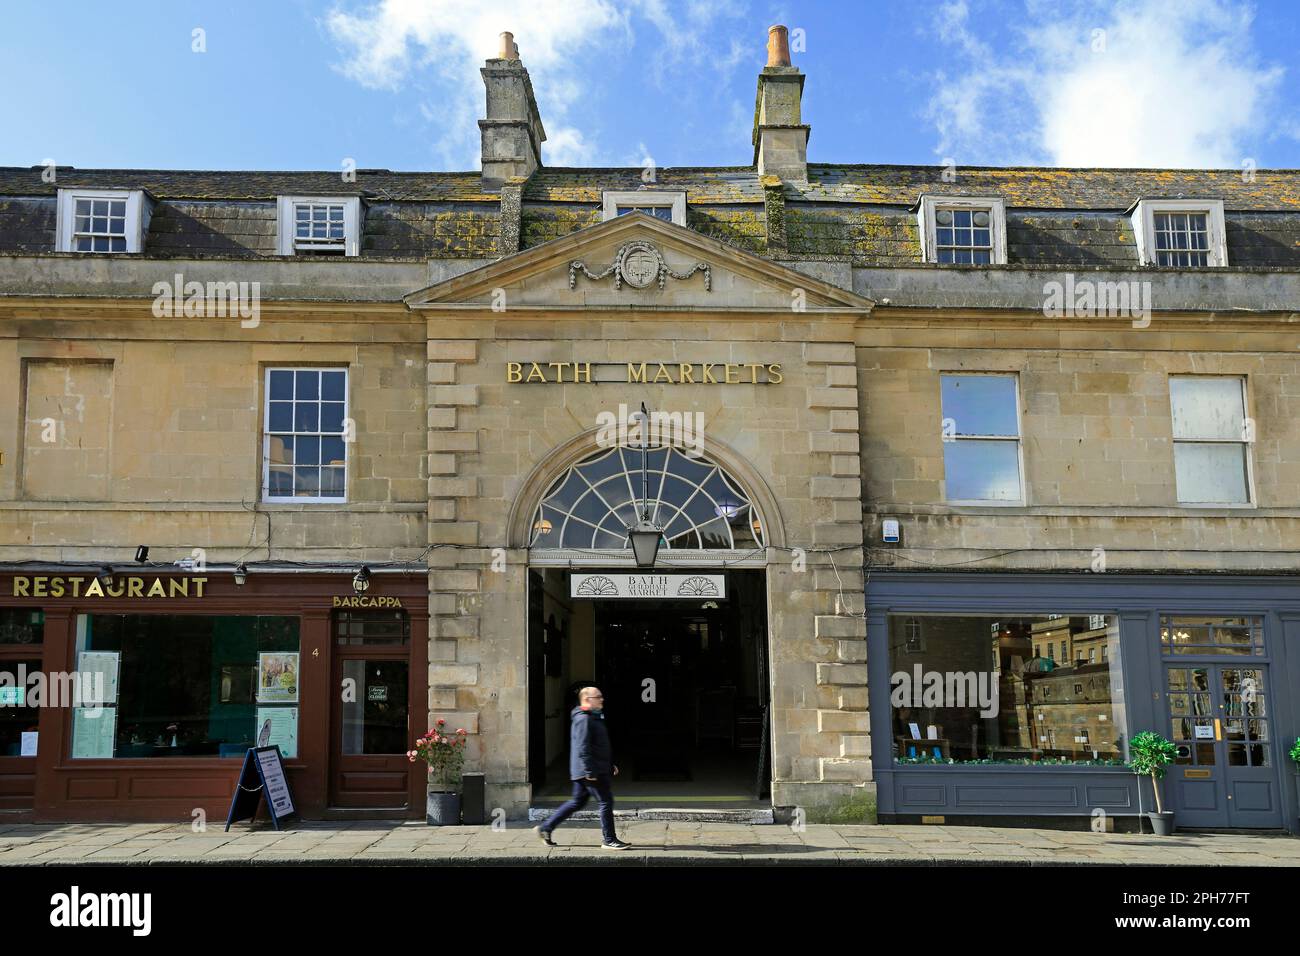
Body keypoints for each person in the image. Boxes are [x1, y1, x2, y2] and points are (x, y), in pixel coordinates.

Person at [534, 686, 629, 849]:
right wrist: (590, 771)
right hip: (590, 771)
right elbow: (583, 747)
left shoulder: (593, 717)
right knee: (606, 801)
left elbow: (597, 745)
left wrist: (609, 764)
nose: (602, 699)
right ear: (586, 700)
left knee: (577, 802)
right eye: (597, 697)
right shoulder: (583, 719)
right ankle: (609, 839)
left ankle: (545, 828)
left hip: (591, 769)